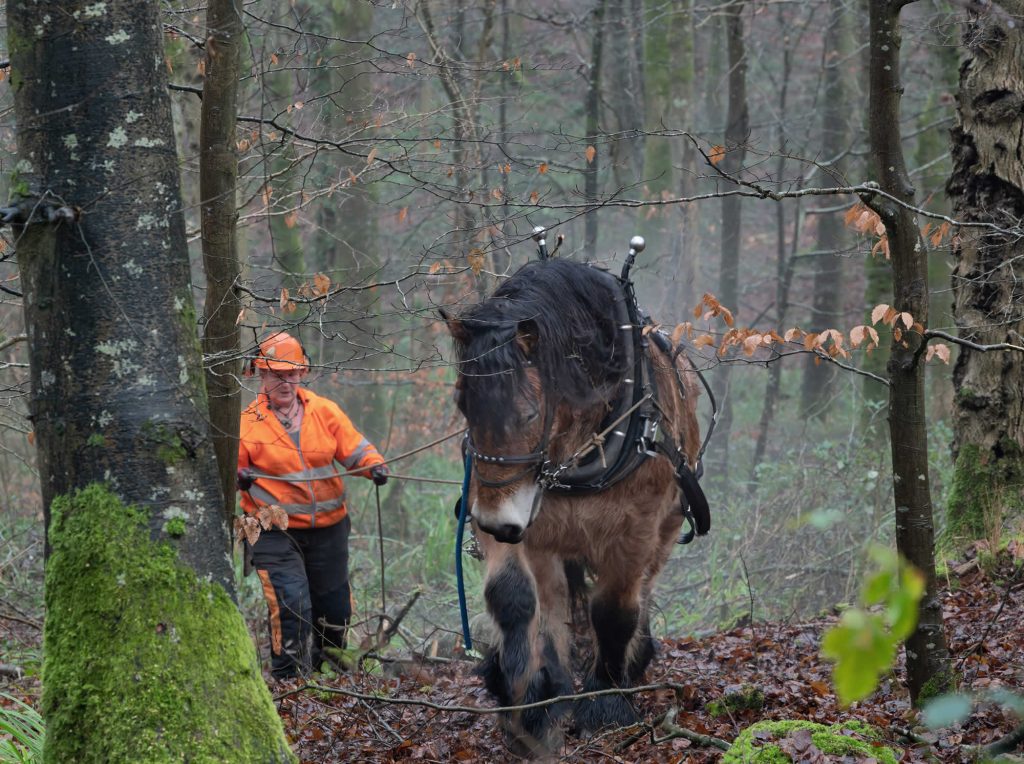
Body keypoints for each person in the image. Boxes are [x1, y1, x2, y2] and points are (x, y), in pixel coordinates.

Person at [237, 331, 389, 679]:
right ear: (261, 373)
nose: (286, 381)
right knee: (291, 603)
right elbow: (231, 465)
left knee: (334, 610)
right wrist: (239, 475)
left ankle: (330, 675)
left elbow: (355, 450)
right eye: (278, 374)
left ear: (301, 373)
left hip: (329, 528)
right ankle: (289, 682)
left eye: (292, 373)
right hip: (272, 530)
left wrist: (375, 466)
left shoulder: (324, 412)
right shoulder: (247, 422)